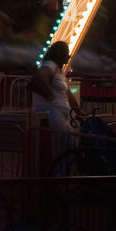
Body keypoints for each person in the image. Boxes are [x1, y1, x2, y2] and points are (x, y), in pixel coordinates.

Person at [31, 40, 80, 174]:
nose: (68, 56)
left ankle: (63, 174)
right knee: (62, 147)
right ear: (60, 54)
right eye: (66, 53)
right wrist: (50, 95)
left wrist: (78, 111)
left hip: (59, 113)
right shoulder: (50, 65)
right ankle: (59, 177)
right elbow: (40, 77)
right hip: (52, 112)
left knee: (68, 144)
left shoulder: (59, 71)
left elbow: (68, 93)